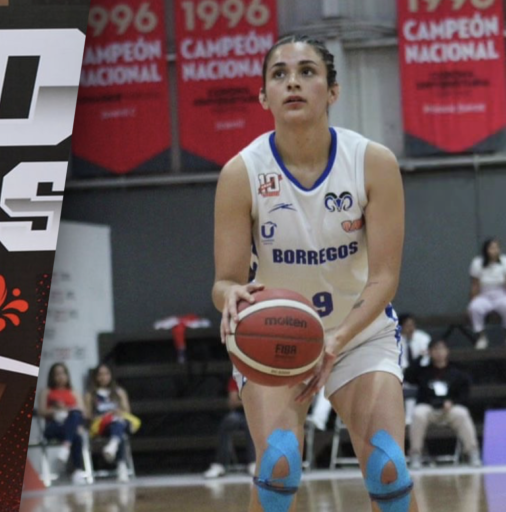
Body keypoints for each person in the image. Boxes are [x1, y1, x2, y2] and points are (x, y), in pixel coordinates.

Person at [213, 35, 417, 511]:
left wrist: (337, 339)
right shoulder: (241, 174)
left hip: (358, 332)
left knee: (388, 468)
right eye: (279, 75)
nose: (293, 83)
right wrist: (233, 298)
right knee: (279, 465)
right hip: (275, 337)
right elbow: (223, 282)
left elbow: (385, 277)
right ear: (264, 97)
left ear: (333, 90)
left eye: (307, 72)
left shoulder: (373, 163)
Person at [406, 338, 481, 469]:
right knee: (418, 413)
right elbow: (408, 376)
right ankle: (415, 454)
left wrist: (453, 402)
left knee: (462, 414)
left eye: (441, 349)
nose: (439, 352)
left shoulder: (457, 372)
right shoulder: (423, 371)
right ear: (430, 352)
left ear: (447, 351)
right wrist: (419, 358)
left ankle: (472, 452)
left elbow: (465, 394)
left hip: (449, 409)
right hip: (429, 408)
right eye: (435, 349)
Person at [84, 363, 140, 482]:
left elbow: (127, 411)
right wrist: (103, 415)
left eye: (106, 374)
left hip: (119, 422)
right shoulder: (91, 394)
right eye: (100, 374)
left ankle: (113, 446)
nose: (103, 377)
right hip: (101, 426)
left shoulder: (119, 392)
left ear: (111, 375)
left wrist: (117, 411)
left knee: (118, 422)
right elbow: (87, 415)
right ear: (95, 377)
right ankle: (121, 466)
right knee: (119, 428)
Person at [36, 362, 87, 484]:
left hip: (69, 425)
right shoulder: (46, 391)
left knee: (76, 430)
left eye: (63, 373)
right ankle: (70, 452)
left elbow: (82, 411)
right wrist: (56, 409)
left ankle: (77, 471)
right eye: (57, 374)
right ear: (52, 376)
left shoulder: (73, 392)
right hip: (53, 427)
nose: (60, 376)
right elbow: (41, 411)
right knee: (75, 433)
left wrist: (68, 409)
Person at [203, 377, 255, 479]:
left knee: (253, 423)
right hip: (239, 413)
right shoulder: (236, 378)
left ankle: (254, 462)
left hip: (257, 415)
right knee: (228, 421)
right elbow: (233, 402)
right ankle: (221, 464)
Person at [467, 238, 506, 349]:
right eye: (492, 248)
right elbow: (474, 285)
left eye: (497, 248)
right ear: (486, 249)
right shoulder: (477, 262)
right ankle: (482, 337)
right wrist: (472, 301)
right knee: (474, 308)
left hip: (501, 294)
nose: (495, 250)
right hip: (484, 295)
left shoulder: (504, 261)